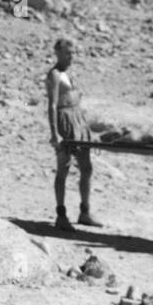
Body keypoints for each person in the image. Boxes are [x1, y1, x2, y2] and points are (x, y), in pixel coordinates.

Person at [47, 38, 101, 231]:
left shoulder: (68, 73)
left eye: (73, 53)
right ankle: (61, 215)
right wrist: (55, 133)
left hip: (78, 120)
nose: (72, 57)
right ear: (59, 53)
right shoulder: (54, 75)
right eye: (68, 53)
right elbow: (52, 105)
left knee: (86, 168)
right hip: (65, 122)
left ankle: (85, 211)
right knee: (63, 169)